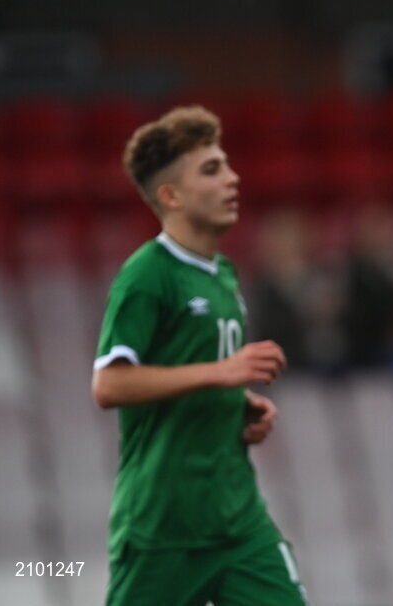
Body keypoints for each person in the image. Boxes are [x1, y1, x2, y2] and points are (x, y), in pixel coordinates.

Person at [91, 106, 308, 606]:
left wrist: (237, 404)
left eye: (226, 165)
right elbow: (109, 384)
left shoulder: (223, 274)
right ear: (171, 196)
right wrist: (222, 373)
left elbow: (196, 374)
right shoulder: (147, 274)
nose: (232, 178)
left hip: (237, 518)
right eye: (211, 170)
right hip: (164, 527)